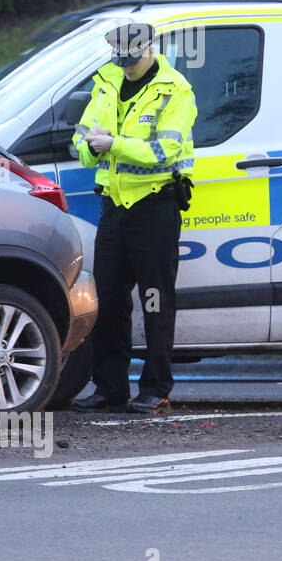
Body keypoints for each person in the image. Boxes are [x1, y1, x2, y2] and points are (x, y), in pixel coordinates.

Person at [71, 22, 197, 415]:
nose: (125, 68)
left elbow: (165, 151)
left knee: (156, 300)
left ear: (149, 50)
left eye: (131, 60)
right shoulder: (106, 82)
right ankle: (110, 388)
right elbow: (81, 137)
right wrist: (90, 147)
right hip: (114, 206)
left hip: (155, 206)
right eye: (120, 60)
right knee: (107, 299)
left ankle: (156, 387)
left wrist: (114, 144)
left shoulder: (175, 90)